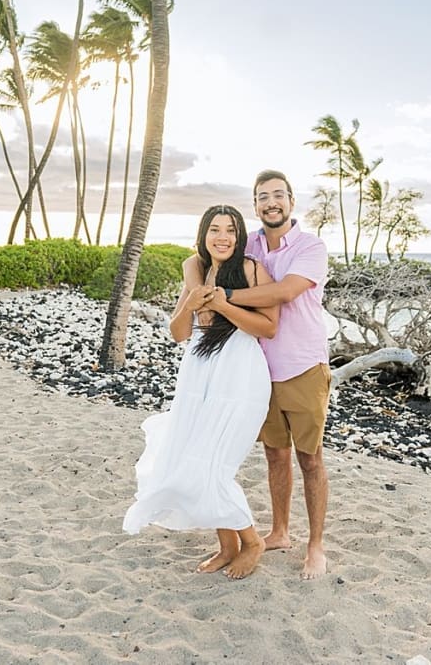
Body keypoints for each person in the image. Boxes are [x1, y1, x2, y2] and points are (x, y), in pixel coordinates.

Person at [123, 205, 279, 580]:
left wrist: (226, 305)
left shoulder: (251, 269)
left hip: (239, 373)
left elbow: (268, 327)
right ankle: (227, 546)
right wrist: (190, 305)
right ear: (203, 234)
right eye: (214, 229)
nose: (222, 237)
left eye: (229, 230)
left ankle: (252, 541)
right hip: (198, 373)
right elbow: (179, 332)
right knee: (194, 458)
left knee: (215, 463)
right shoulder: (197, 268)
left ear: (240, 235)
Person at [195, 169, 331, 580]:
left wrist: (223, 297)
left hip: (303, 365)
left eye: (278, 195)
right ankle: (280, 532)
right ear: (255, 205)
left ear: (291, 200)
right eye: (262, 197)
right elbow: (204, 258)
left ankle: (315, 546)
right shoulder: (249, 243)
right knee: (274, 454)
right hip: (256, 369)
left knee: (310, 459)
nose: (270, 202)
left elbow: (285, 292)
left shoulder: (311, 246)